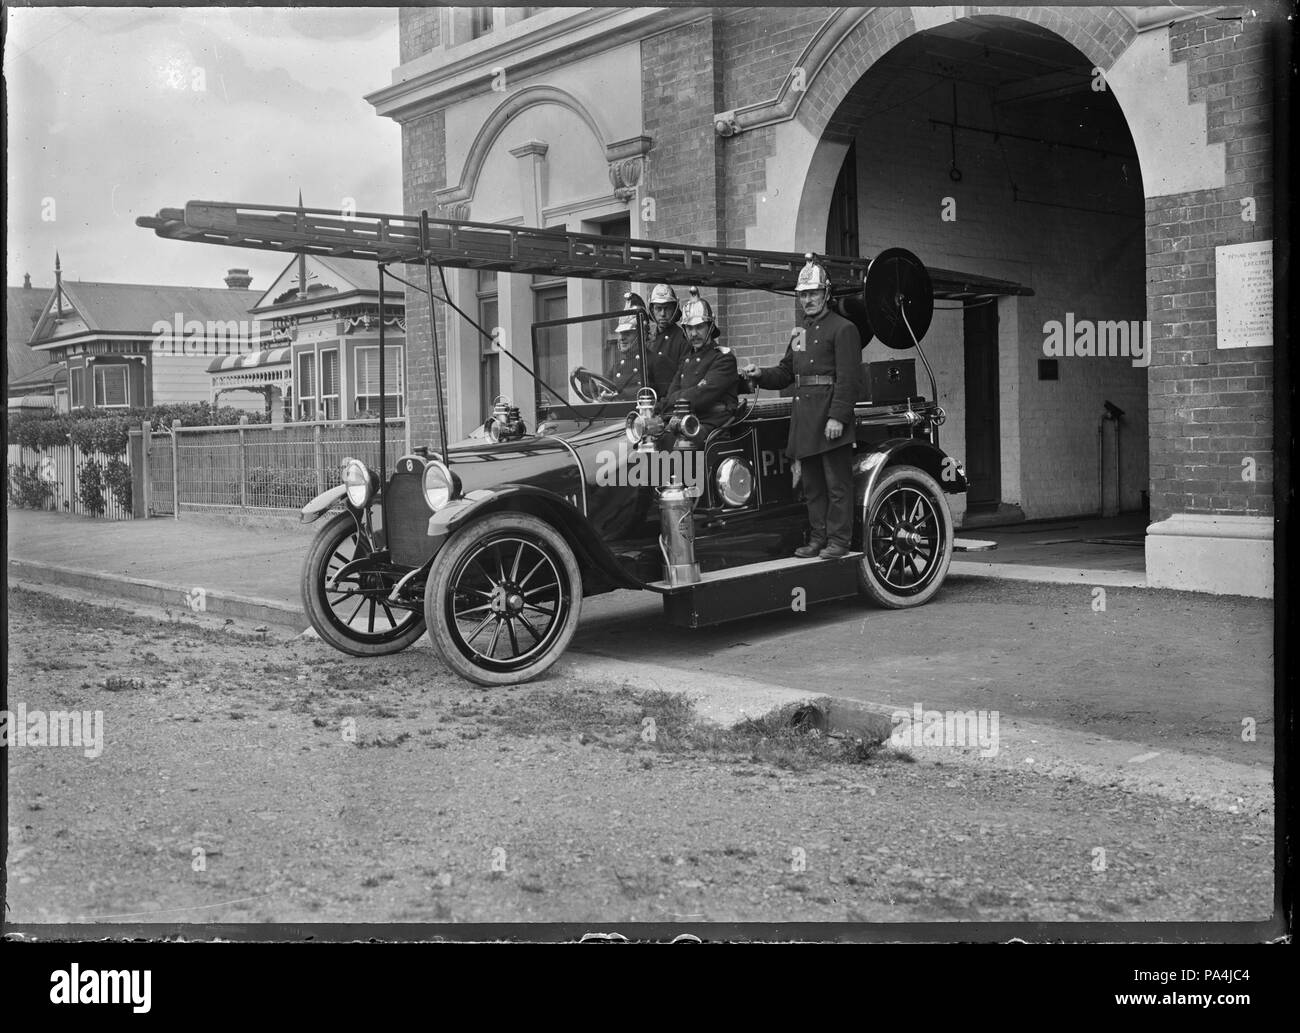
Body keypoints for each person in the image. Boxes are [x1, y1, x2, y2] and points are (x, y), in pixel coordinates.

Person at [741, 255, 860, 559]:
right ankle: (819, 538)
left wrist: (838, 417)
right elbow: (785, 373)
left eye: (813, 293)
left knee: (837, 486)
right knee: (812, 487)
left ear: (826, 294)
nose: (807, 300)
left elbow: (848, 379)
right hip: (805, 419)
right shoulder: (800, 332)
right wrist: (760, 375)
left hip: (830, 418)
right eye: (803, 294)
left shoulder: (844, 329)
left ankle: (839, 541)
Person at [655, 287, 738, 448]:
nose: (693, 333)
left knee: (682, 446)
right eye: (689, 328)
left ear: (710, 326)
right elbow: (671, 394)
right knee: (648, 442)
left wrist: (675, 400)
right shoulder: (687, 359)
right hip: (685, 423)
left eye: (699, 327)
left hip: (712, 427)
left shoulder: (723, 358)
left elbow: (699, 396)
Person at [645, 283, 689, 400]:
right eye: (658, 309)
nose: (663, 314)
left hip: (672, 402)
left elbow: (683, 378)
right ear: (652, 310)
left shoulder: (683, 339)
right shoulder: (648, 341)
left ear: (674, 309)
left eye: (667, 308)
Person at [604, 292, 647, 397]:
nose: (622, 338)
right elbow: (601, 390)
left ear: (641, 333)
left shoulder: (653, 361)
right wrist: (586, 383)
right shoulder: (617, 366)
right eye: (621, 333)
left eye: (627, 333)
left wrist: (620, 395)